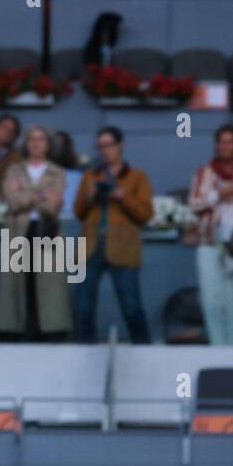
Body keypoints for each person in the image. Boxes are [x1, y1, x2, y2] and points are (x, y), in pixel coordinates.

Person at [73, 126, 154, 344]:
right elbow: (79, 212)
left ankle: (144, 352)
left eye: (109, 145)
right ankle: (82, 355)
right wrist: (90, 196)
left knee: (131, 308)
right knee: (82, 308)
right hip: (89, 248)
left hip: (123, 249)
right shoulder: (90, 176)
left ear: (121, 145)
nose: (104, 151)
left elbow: (145, 214)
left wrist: (122, 196)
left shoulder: (138, 177)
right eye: (100, 147)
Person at [0, 124, 71, 341]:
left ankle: (48, 331)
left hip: (47, 230)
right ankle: (18, 330)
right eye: (32, 139)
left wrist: (26, 194)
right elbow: (13, 200)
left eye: (41, 139)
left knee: (48, 285)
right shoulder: (14, 170)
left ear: (48, 144)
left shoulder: (57, 171)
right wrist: (40, 195)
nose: (36, 143)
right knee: (19, 283)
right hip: (19, 231)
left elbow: (53, 205)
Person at [187, 124, 233, 345]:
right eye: (221, 142)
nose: (224, 146)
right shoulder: (204, 172)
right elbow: (195, 204)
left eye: (229, 141)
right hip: (210, 242)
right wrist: (218, 194)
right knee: (211, 299)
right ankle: (217, 348)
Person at [51, 130, 84, 219]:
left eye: (62, 146)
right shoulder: (41, 174)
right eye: (56, 145)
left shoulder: (78, 176)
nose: (59, 149)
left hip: (71, 219)